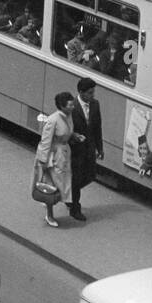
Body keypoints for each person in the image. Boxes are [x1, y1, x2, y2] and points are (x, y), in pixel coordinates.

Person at [35, 93, 77, 228]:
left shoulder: (68, 116)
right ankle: (49, 214)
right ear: (62, 106)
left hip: (64, 154)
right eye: (70, 105)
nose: (73, 107)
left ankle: (52, 206)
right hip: (54, 157)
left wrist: (75, 136)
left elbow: (67, 132)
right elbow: (45, 141)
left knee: (61, 185)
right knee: (51, 186)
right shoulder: (53, 120)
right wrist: (43, 161)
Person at [68, 77, 103, 223]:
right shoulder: (72, 106)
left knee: (91, 176)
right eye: (89, 93)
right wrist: (73, 137)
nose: (92, 95)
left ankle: (68, 193)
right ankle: (75, 208)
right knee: (76, 179)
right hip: (75, 149)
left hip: (89, 148)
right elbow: (65, 128)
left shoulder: (95, 104)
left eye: (93, 92)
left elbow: (97, 127)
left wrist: (100, 148)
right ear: (81, 92)